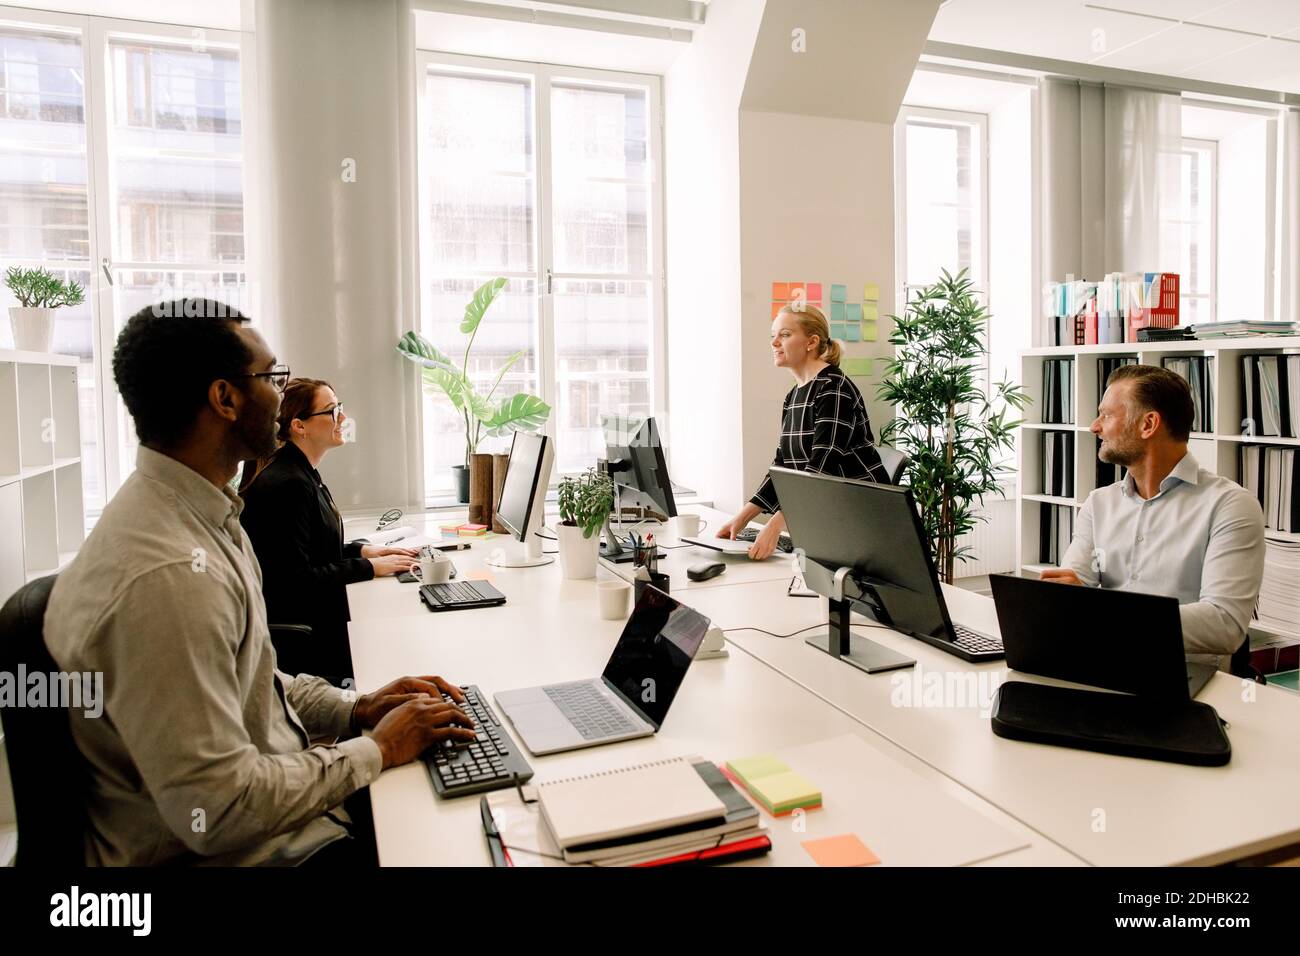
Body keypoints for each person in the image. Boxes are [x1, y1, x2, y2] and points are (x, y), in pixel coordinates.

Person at [44, 299, 476, 866]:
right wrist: (379, 749)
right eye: (272, 377)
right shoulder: (168, 575)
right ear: (224, 398)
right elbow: (219, 810)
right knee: (466, 837)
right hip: (261, 853)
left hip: (285, 813)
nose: (281, 393)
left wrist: (358, 707)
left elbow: (254, 680)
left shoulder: (205, 513)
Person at [1043, 363, 1264, 669]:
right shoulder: (1099, 504)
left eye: (1107, 415)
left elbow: (1223, 624)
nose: (1095, 426)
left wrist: (1101, 613)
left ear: (1148, 424)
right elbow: (1069, 594)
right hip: (1104, 667)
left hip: (1188, 684)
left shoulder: (1230, 506)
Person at [239, 378, 415, 681]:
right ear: (299, 426)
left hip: (316, 618)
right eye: (332, 411)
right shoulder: (288, 484)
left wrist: (362, 550)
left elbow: (312, 550)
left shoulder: (301, 472)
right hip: (307, 634)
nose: (343, 419)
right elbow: (295, 579)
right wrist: (368, 567)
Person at [717, 303, 888, 559]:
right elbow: (783, 466)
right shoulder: (793, 396)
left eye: (784, 335)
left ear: (811, 342)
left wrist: (775, 525)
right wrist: (741, 519)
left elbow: (822, 468)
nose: (774, 342)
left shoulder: (833, 388)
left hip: (861, 520)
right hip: (825, 516)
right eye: (773, 335)